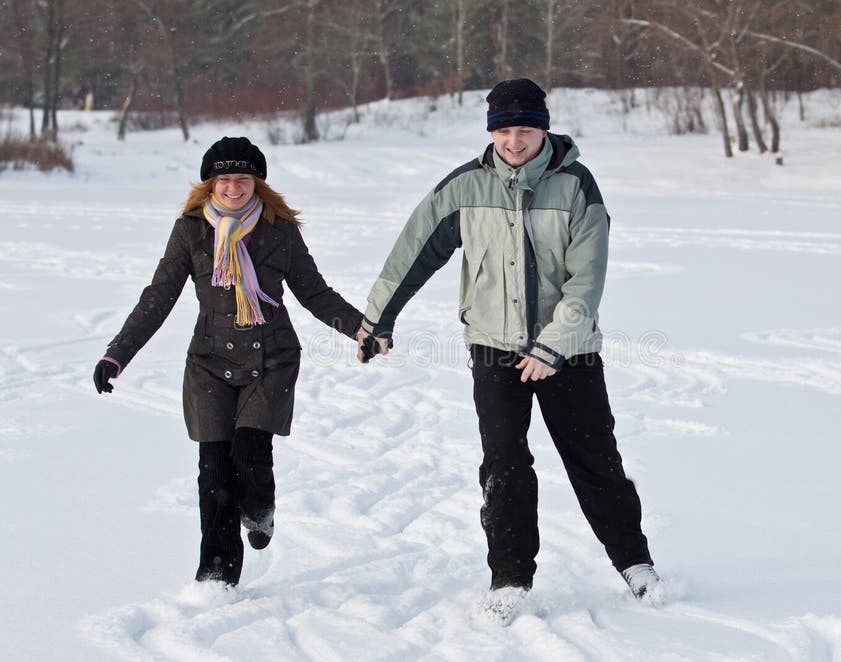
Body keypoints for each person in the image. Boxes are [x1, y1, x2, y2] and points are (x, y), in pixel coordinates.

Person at [355, 79, 661, 622]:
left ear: (544, 128)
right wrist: (378, 320)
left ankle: (635, 563)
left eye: (524, 129)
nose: (514, 141)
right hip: (494, 349)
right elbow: (414, 251)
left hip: (570, 353)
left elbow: (586, 281)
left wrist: (553, 347)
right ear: (490, 131)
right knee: (504, 464)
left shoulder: (576, 187)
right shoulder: (466, 185)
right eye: (503, 130)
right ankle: (510, 576)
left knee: (594, 459)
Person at [94, 137, 365, 587]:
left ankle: (259, 509)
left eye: (243, 179)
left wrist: (359, 328)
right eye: (224, 180)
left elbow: (314, 291)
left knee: (250, 454)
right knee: (214, 471)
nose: (234, 189)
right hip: (209, 362)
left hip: (272, 357)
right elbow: (159, 295)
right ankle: (216, 575)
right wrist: (117, 354)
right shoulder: (190, 231)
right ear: (210, 184)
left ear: (257, 182)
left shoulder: (279, 230)